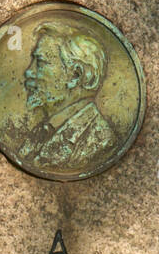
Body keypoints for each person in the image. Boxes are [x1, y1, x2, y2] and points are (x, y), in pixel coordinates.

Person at [16, 21, 116, 170]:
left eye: (41, 63)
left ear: (76, 75)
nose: (29, 72)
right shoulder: (40, 132)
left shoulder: (101, 141)